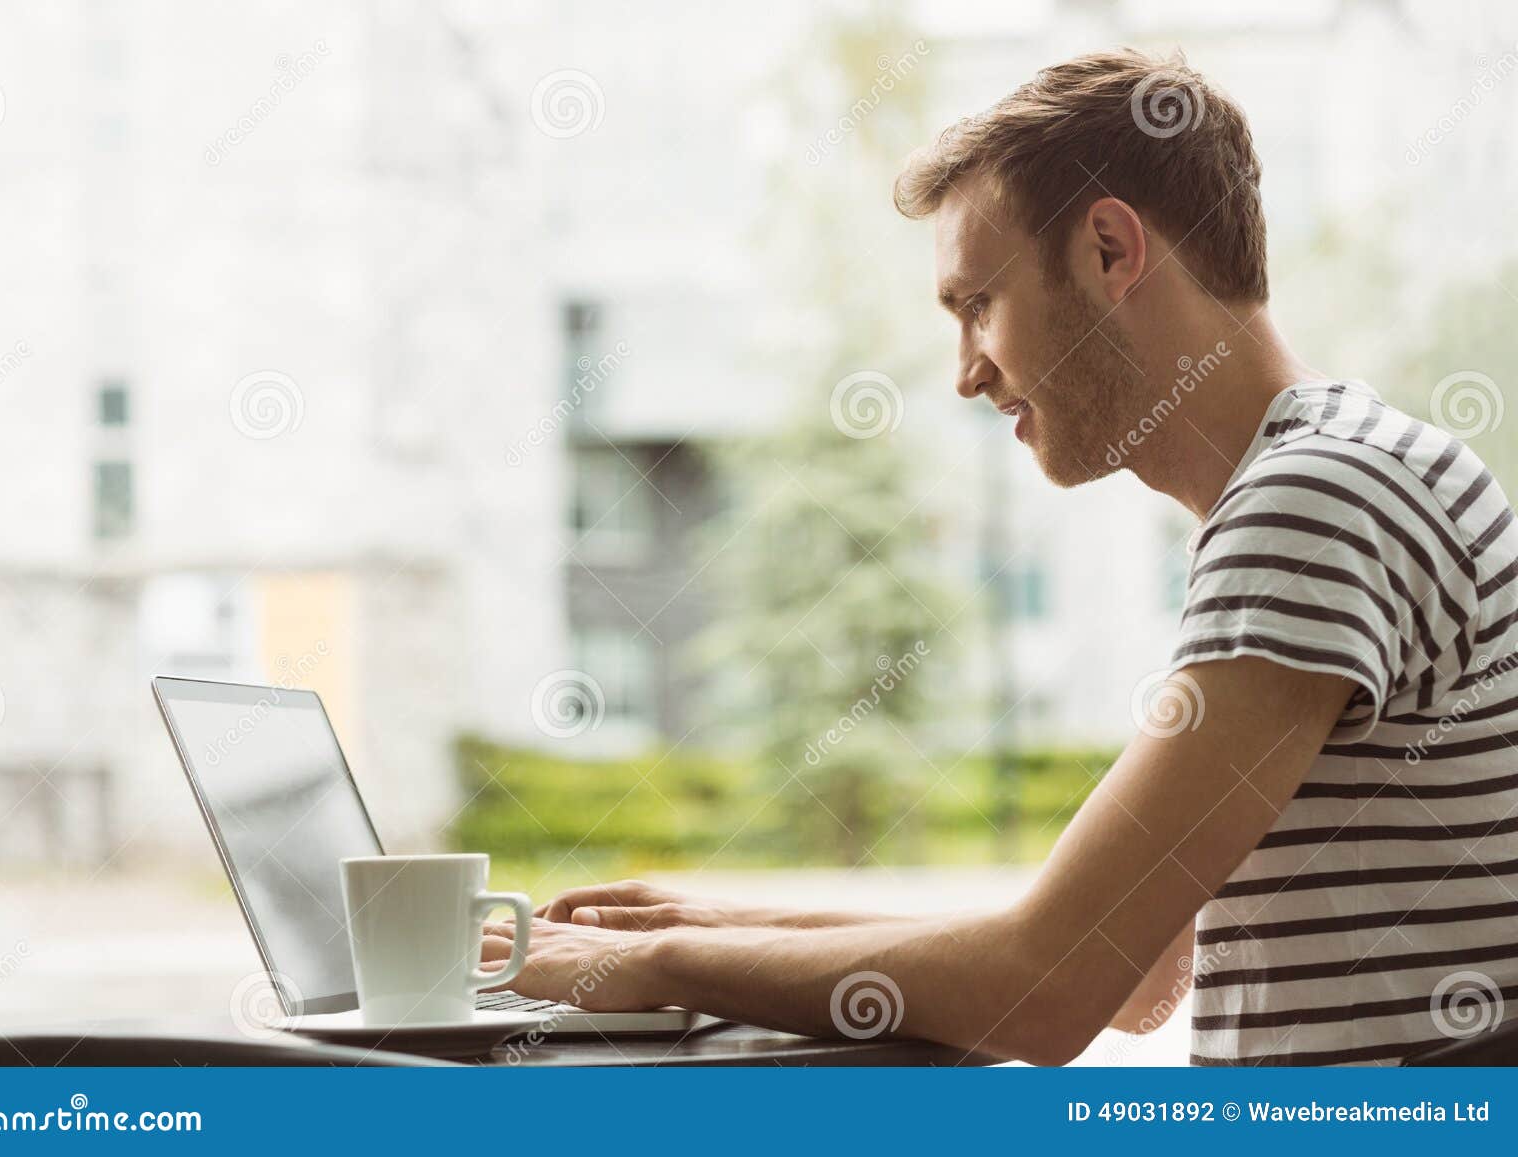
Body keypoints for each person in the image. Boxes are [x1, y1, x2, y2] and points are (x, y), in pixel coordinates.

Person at [484, 48, 1518, 1066]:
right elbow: (1131, 972)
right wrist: (722, 926)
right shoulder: (1328, 478)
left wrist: (660, 963)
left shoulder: (1316, 503)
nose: (966, 373)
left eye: (978, 303)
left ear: (1110, 250)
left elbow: (1050, 986)